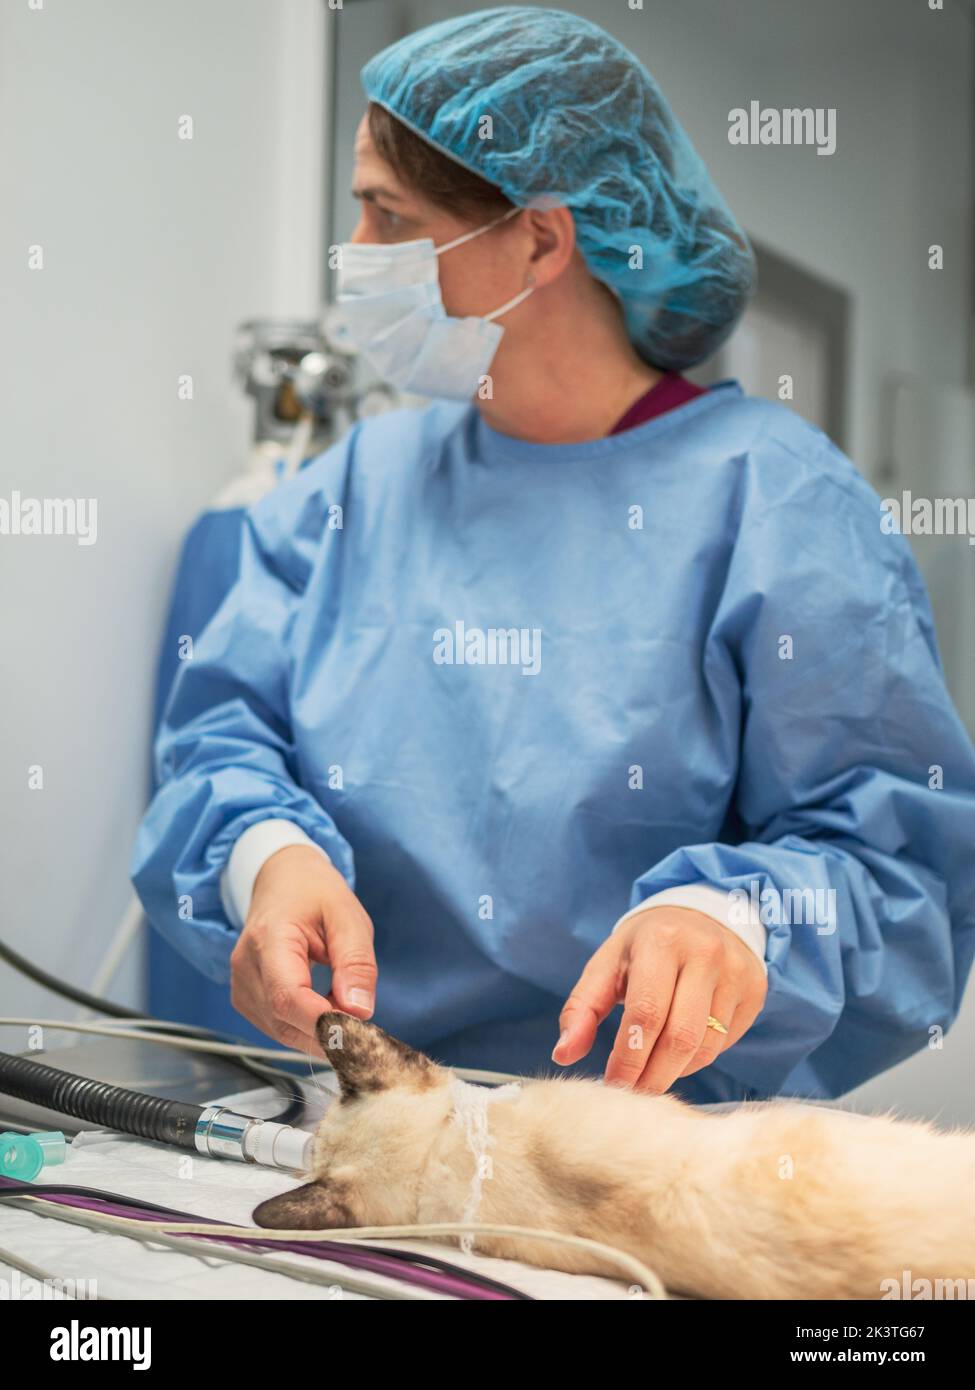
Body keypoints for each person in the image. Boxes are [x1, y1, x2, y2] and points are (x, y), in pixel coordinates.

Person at [132, 7, 975, 1102]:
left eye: (391, 215)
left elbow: (897, 867)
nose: (359, 257)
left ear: (540, 237)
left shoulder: (774, 498)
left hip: (639, 1165)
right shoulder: (357, 483)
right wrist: (264, 858)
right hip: (361, 1130)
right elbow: (221, 744)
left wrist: (730, 915)